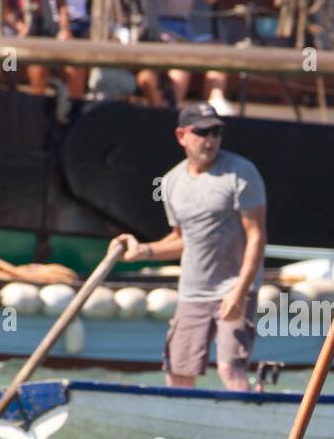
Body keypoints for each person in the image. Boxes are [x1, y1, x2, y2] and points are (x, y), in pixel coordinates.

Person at [111, 103, 267, 391]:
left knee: (229, 370)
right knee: (178, 373)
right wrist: (141, 251)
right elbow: (182, 239)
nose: (211, 139)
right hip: (192, 292)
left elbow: (256, 236)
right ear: (182, 135)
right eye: (202, 131)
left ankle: (246, 423)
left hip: (234, 290)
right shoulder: (171, 182)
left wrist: (240, 292)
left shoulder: (242, 173)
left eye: (217, 132)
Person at [149, 0, 231, 113]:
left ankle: (215, 100)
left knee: (217, 48)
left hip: (187, 31)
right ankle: (173, 108)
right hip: (165, 29)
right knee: (181, 64)